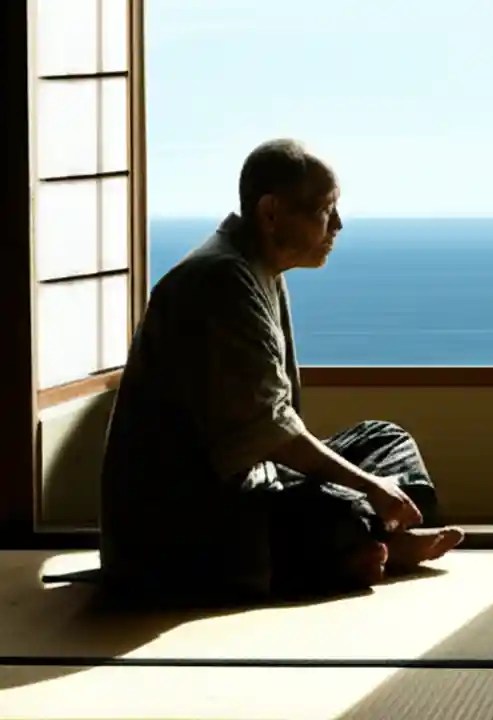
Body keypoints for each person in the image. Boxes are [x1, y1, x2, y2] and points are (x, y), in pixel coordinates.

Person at [100, 139, 463, 601]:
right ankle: (359, 542)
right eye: (326, 210)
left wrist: (369, 487)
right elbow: (269, 431)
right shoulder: (220, 281)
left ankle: (367, 541)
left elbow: (276, 433)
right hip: (186, 523)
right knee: (347, 506)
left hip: (255, 481)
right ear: (270, 212)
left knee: (387, 442)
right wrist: (370, 490)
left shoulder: (258, 269)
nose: (338, 225)